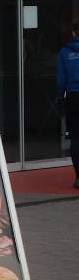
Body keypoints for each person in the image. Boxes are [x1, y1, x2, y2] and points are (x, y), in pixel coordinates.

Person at [59, 23, 79, 188]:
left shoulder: (64, 53)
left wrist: (60, 97)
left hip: (73, 97)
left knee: (76, 138)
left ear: (73, 33)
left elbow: (61, 80)